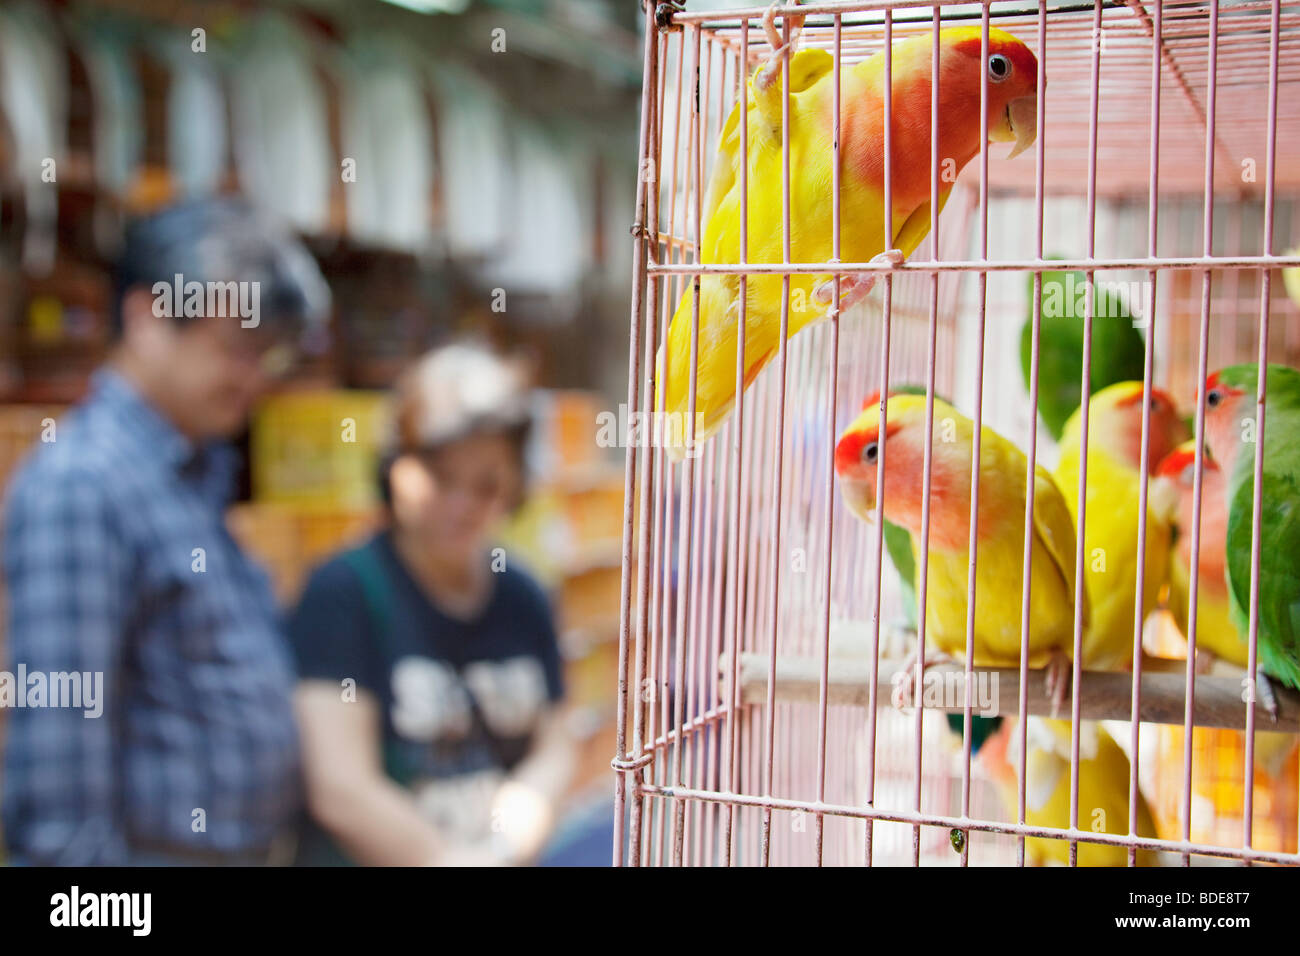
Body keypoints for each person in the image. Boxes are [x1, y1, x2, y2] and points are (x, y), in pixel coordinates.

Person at [1, 198, 330, 865]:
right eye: (238, 349)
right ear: (148, 317)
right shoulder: (85, 486)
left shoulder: (188, 473)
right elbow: (59, 797)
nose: (252, 379)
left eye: (267, 355)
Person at [288, 342, 576, 866]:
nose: (462, 506)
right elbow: (340, 785)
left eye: (487, 484)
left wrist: (513, 832)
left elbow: (555, 744)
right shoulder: (343, 592)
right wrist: (448, 860)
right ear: (397, 465)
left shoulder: (522, 594)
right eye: (441, 478)